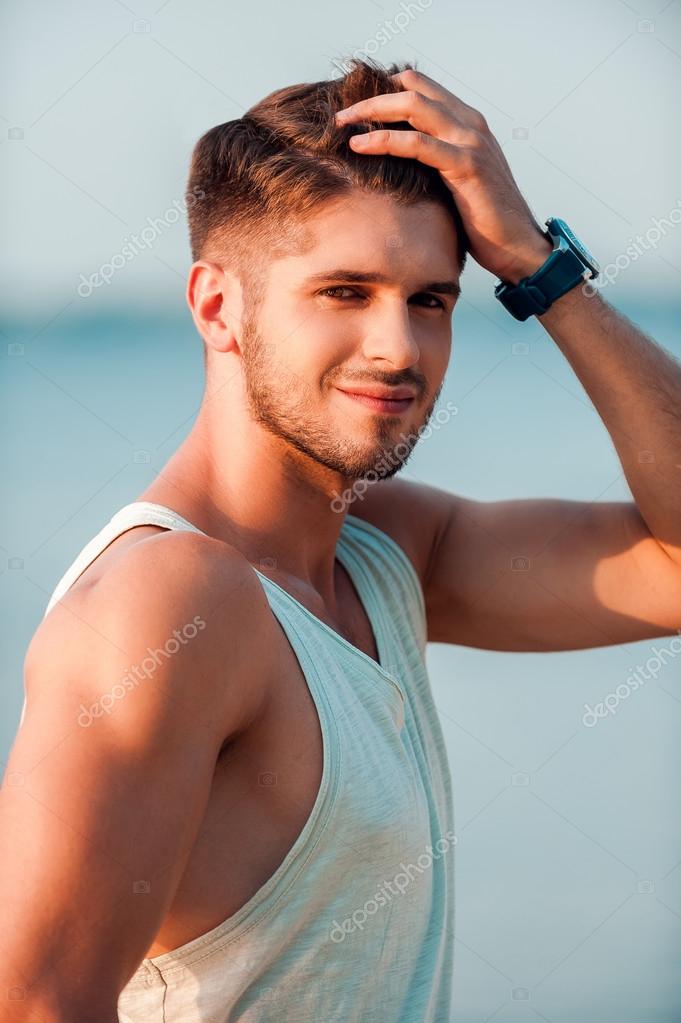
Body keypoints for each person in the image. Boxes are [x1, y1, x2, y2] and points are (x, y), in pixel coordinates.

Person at [2, 57, 680, 1023]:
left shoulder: (387, 557)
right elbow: (35, 1002)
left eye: (429, 299)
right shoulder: (169, 603)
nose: (397, 347)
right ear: (216, 306)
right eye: (344, 291)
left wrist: (541, 269)